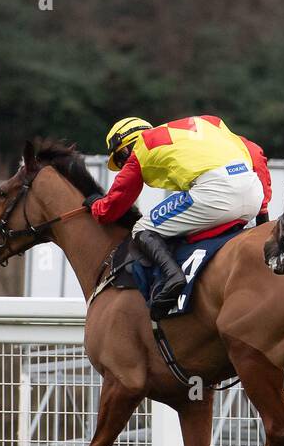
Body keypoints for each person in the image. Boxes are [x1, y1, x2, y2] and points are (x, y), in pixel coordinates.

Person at [86, 115, 271, 318]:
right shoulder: (210, 123)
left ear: (126, 147)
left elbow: (112, 208)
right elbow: (256, 153)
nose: (123, 165)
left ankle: (173, 278)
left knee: (142, 227)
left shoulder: (142, 147)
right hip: (252, 191)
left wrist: (95, 204)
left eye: (120, 159)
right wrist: (262, 214)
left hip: (215, 193)